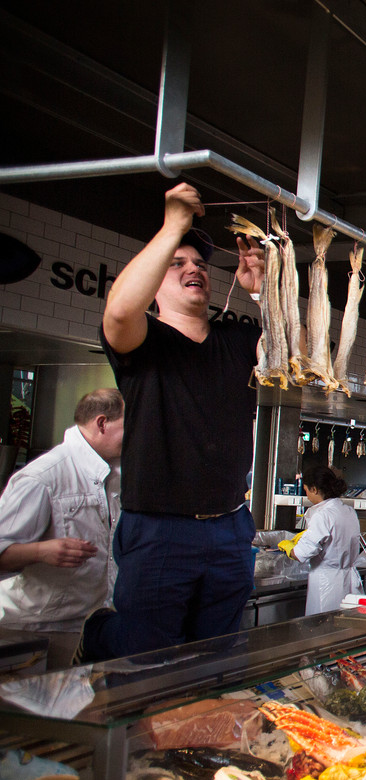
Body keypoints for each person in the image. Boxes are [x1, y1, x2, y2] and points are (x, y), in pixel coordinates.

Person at [77, 183, 264, 663]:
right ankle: (101, 647)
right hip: (160, 530)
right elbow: (119, 311)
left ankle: (206, 735)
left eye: (199, 263)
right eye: (177, 265)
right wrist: (173, 227)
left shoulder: (237, 340)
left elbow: (292, 356)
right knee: (148, 662)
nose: (194, 269)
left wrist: (266, 293)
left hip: (229, 527)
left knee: (220, 658)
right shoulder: (144, 344)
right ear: (154, 281)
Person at [0, 390, 124, 664]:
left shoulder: (115, 476)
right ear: (102, 423)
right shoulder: (43, 477)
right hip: (37, 632)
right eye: (132, 425)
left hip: (91, 627)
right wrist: (41, 551)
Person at [285, 465, 362, 616]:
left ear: (314, 489)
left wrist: (287, 547)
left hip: (326, 584)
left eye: (306, 490)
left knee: (323, 631)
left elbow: (301, 554)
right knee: (345, 630)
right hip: (348, 580)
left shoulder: (322, 515)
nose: (306, 495)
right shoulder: (348, 511)